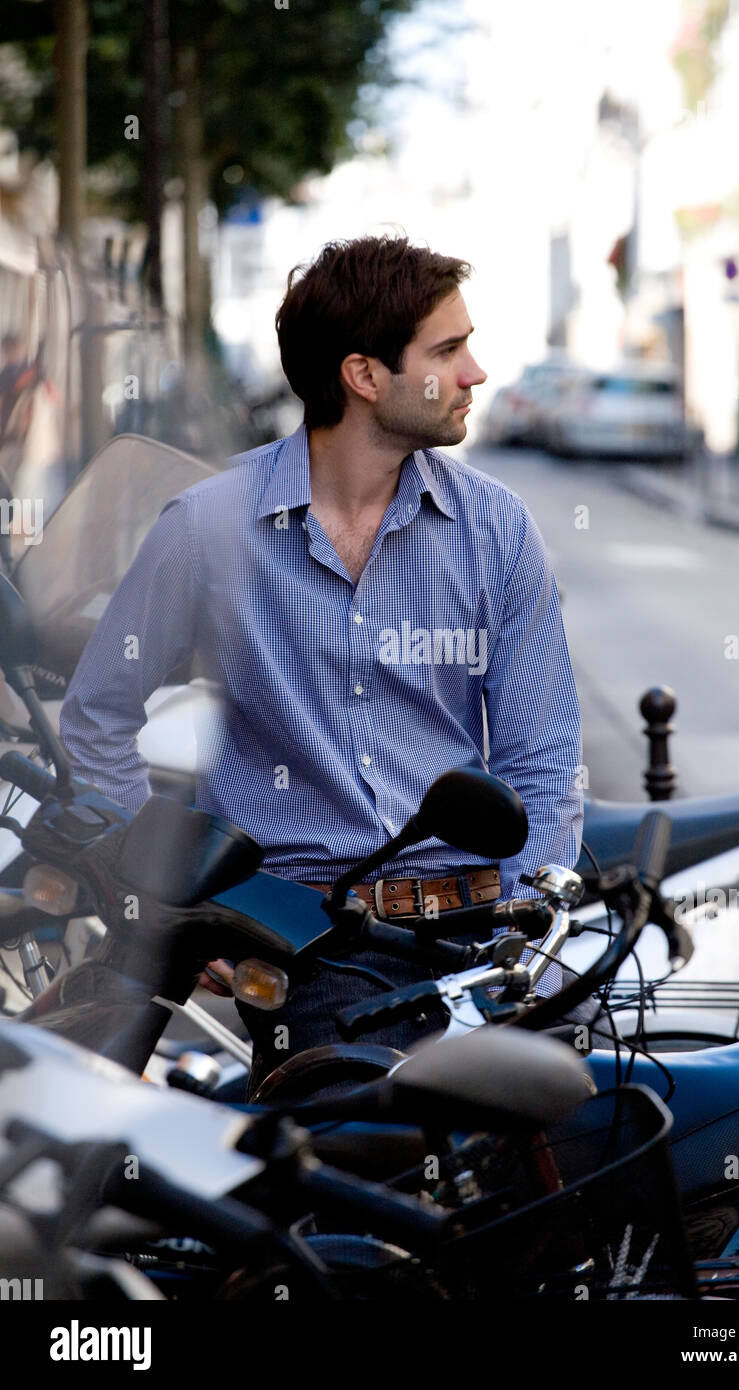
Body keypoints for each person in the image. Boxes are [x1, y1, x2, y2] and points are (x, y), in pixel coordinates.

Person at [58, 234, 583, 1089]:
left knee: (560, 1176)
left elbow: (542, 761)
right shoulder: (207, 527)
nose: (475, 373)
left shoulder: (497, 531)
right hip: (318, 951)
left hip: (487, 937)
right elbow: (97, 719)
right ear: (364, 376)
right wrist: (174, 902)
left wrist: (525, 959)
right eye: (447, 351)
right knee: (359, 1196)